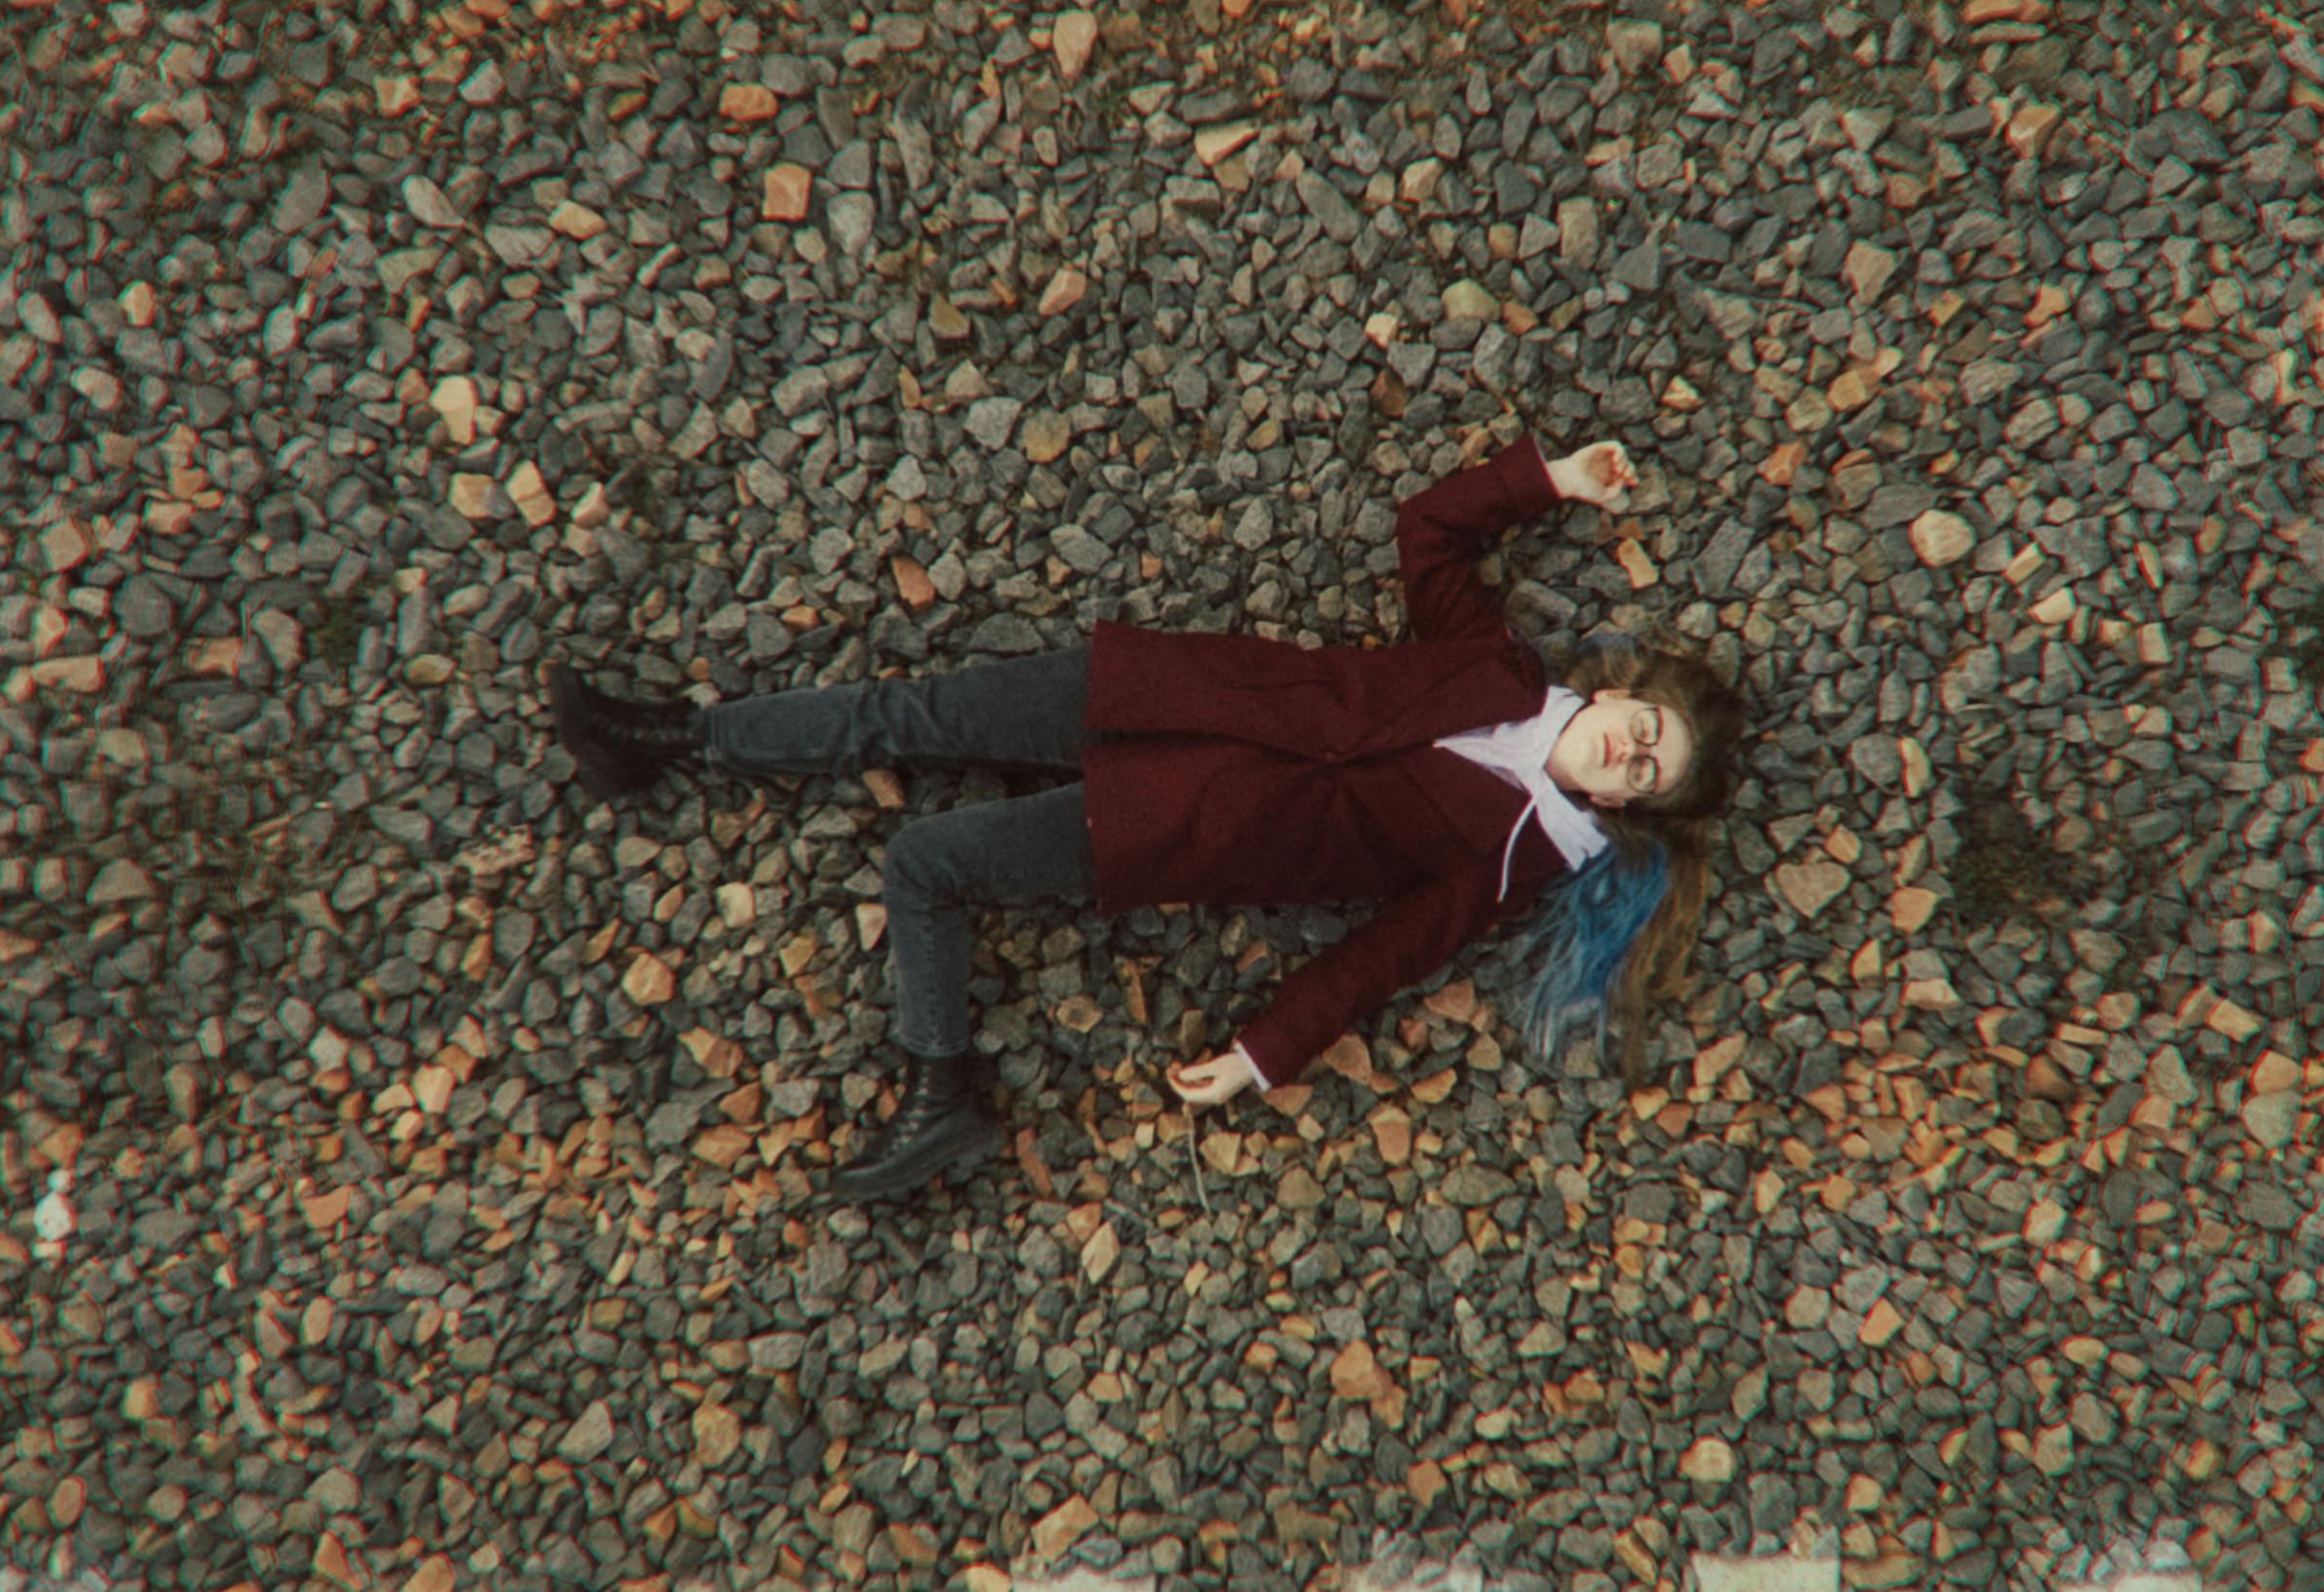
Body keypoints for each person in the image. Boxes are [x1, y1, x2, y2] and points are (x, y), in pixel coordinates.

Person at [550, 435, 1758, 1209]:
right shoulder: (1493, 660)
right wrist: (1549, 480)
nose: (1629, 750)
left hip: (1165, 826)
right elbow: (1427, 530)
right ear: (1620, 693)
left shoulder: (1511, 862)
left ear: (1622, 803)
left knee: (924, 861)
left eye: (1646, 773)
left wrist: (1264, 1050)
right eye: (1643, 726)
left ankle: (941, 1087)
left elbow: (1379, 958)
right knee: (905, 713)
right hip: (1154, 690)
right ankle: (670, 741)